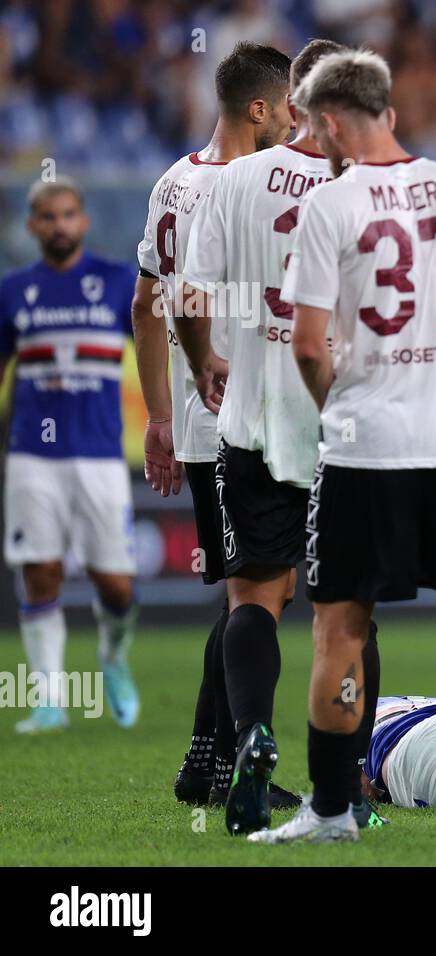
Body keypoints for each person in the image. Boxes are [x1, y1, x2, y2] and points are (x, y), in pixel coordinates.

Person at [250, 49, 436, 847]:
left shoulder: (331, 206)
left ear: (335, 120)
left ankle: (333, 810)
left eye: (315, 123)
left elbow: (310, 347)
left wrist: (338, 405)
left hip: (367, 450)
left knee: (339, 631)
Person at [176, 38, 386, 835]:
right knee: (348, 613)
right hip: (344, 421)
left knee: (252, 597)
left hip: (255, 417)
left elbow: (189, 298)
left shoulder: (235, 180)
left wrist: (203, 365)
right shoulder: (375, 190)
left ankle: (251, 741)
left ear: (294, 100)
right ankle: (352, 789)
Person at [134, 42, 297, 810]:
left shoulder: (172, 182)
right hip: (239, 416)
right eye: (289, 105)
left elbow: (145, 304)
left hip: (200, 420)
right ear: (258, 109)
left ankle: (212, 756)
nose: (297, 120)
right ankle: (218, 756)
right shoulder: (240, 188)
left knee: (250, 591)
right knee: (256, 595)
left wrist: (158, 417)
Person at [0, 179, 139, 734]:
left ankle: (114, 658)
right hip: (32, 454)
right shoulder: (13, 291)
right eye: (48, 217)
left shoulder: (116, 283)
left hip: (100, 455)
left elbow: (154, 349)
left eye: (68, 215)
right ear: (32, 226)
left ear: (83, 221)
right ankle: (49, 700)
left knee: (116, 584)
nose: (59, 225)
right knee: (42, 572)